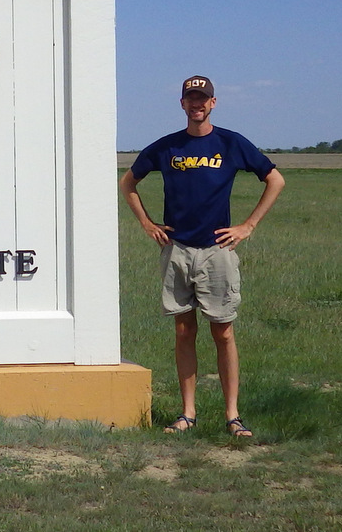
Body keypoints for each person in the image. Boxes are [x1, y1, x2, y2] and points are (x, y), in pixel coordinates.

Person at [120, 75, 284, 437]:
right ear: (182, 104)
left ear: (213, 103)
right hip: (177, 249)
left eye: (203, 99)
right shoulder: (167, 147)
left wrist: (248, 226)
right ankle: (187, 413)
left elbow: (275, 179)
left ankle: (232, 416)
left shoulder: (231, 143)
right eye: (190, 99)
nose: (197, 105)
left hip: (217, 250)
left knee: (223, 332)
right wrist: (147, 223)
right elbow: (128, 182)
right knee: (183, 330)